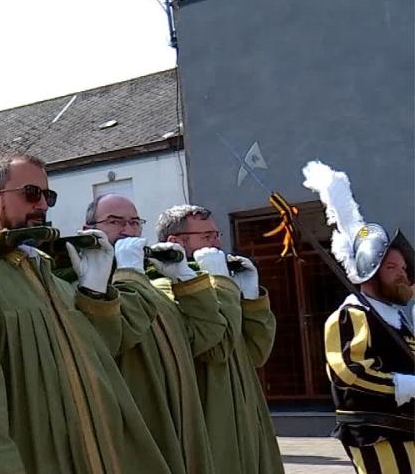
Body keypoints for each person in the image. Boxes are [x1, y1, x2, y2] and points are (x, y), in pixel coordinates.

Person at [0, 153, 170, 474]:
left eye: (48, 196)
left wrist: (95, 296)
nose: (43, 204)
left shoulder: (57, 284)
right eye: (31, 193)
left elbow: (104, 354)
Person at [84, 194, 223, 474]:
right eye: (115, 221)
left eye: (134, 223)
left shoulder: (154, 286)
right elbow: (115, 339)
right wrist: (129, 273)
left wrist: (185, 278)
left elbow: (207, 337)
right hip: (130, 430)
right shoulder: (83, 283)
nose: (127, 230)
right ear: (90, 230)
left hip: (179, 422)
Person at [304, 161, 415, 473]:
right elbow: (351, 371)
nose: (402, 276)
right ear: (369, 271)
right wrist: (409, 385)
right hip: (378, 434)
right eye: (392, 268)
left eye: (404, 269)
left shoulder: (398, 318)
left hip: (408, 429)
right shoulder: (351, 315)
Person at [158, 204, 283, 473]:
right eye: (206, 237)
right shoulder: (165, 288)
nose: (216, 244)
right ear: (175, 242)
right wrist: (217, 284)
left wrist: (251, 299)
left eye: (216, 235)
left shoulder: (222, 282)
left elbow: (257, 352)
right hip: (210, 420)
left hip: (247, 420)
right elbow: (215, 347)